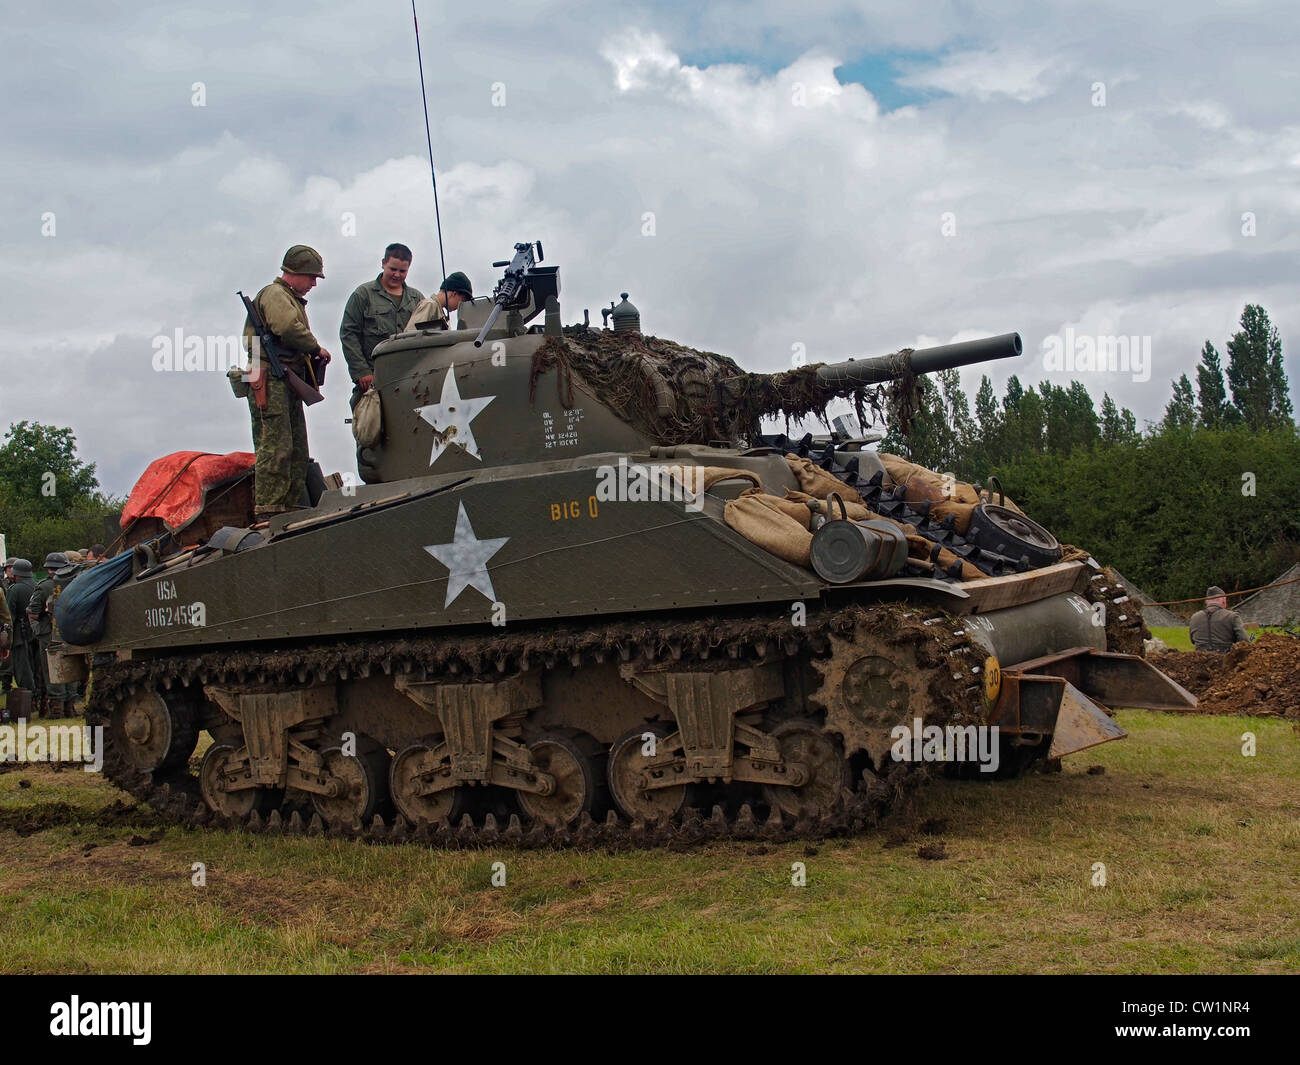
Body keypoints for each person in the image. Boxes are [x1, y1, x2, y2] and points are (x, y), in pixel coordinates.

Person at [241, 245, 333, 520]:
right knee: (276, 447)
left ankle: (290, 508)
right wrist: (315, 347)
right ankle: (269, 510)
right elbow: (287, 328)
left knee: (295, 448)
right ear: (296, 272)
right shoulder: (276, 295)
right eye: (311, 277)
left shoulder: (286, 297)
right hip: (271, 378)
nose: (314, 283)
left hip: (285, 378)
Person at [340, 243, 425, 409]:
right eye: (392, 269)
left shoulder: (417, 299)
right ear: (383, 263)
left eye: (402, 271)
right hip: (374, 381)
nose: (397, 275)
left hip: (410, 381)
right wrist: (361, 372)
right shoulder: (363, 295)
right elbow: (349, 334)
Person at [29, 552, 78, 717]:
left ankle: (57, 709)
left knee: (53, 669)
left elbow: (34, 613)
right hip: (70, 631)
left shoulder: (43, 586)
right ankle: (70, 706)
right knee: (71, 665)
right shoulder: (74, 582)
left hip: (49, 633)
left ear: (48, 568)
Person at [4, 559, 38, 721]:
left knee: (22, 668)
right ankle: (38, 697)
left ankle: (28, 699)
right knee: (35, 666)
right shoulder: (36, 585)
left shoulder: (15, 589)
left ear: (16, 574)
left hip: (19, 632)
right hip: (35, 631)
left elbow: (9, 614)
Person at [1188, 586, 1251, 652]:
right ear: (1224, 601)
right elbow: (1245, 641)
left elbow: (1192, 640)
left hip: (1199, 659)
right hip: (1225, 659)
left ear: (1206, 601)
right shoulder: (1232, 616)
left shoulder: (1194, 617)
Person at [405, 272, 473, 331]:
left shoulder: (441, 313)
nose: (459, 307)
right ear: (454, 294)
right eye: (462, 301)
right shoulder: (430, 305)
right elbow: (411, 335)